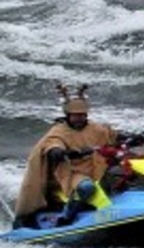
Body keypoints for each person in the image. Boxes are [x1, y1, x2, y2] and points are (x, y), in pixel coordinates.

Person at [14, 85, 122, 229]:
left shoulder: (95, 128)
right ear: (68, 115)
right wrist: (60, 152)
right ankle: (66, 217)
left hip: (95, 168)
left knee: (122, 172)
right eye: (76, 115)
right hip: (72, 173)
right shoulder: (59, 131)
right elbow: (53, 145)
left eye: (83, 115)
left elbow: (113, 136)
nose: (80, 118)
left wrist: (140, 136)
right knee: (87, 187)